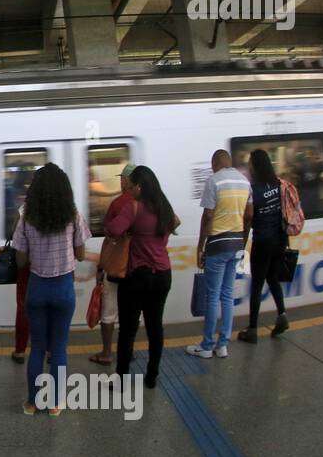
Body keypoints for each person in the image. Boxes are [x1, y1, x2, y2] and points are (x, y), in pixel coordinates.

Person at [12, 163, 89, 415]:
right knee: (58, 348)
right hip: (63, 288)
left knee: (36, 347)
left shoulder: (26, 219)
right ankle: (55, 403)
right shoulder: (74, 216)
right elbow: (80, 254)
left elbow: (21, 260)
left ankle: (33, 402)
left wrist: (37, 253)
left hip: (37, 288)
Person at [104, 166, 178, 388]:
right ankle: (152, 375)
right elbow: (176, 222)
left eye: (132, 186)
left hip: (138, 276)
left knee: (128, 328)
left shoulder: (133, 207)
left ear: (139, 186)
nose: (129, 190)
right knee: (155, 327)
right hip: (163, 274)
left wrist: (130, 230)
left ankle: (121, 376)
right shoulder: (164, 207)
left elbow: (112, 230)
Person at [191, 149, 253, 359]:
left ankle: (207, 346)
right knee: (227, 295)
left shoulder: (214, 180)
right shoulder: (245, 181)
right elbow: (250, 215)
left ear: (215, 163)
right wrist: (243, 243)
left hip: (217, 243)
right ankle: (223, 344)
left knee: (212, 296)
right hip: (236, 242)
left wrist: (201, 246)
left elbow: (208, 216)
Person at [238, 148, 289, 343]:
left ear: (255, 166)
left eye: (250, 163)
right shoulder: (278, 184)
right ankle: (282, 315)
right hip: (279, 240)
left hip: (262, 241)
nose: (248, 166)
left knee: (257, 285)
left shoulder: (254, 188)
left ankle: (252, 329)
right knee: (273, 278)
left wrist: (242, 243)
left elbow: (249, 216)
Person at [92, 163, 136, 366]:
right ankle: (128, 350)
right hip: (136, 268)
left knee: (109, 311)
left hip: (116, 266)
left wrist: (101, 266)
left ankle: (107, 352)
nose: (120, 181)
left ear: (128, 181)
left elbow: (109, 234)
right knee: (131, 312)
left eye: (123, 178)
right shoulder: (148, 204)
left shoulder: (118, 204)